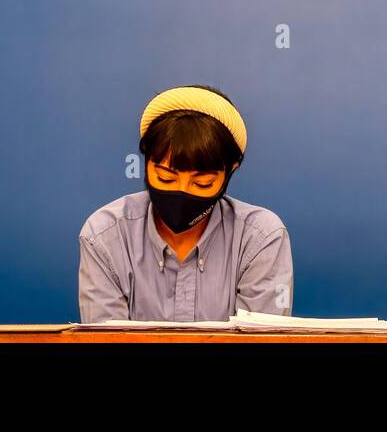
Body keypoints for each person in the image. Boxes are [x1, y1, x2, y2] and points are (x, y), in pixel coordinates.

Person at [78, 85, 292, 322]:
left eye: (202, 183)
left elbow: (260, 341)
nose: (181, 192)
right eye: (165, 178)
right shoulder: (105, 235)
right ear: (147, 160)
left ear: (231, 171)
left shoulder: (260, 237)